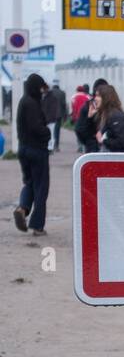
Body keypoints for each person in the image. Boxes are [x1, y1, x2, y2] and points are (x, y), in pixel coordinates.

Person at [13, 73, 52, 236]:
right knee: (41, 188)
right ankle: (38, 226)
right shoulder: (32, 104)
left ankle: (22, 209)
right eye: (41, 88)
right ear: (36, 87)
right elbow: (37, 128)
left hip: (24, 149)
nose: (42, 91)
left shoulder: (24, 101)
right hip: (37, 150)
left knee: (29, 183)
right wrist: (47, 132)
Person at [75, 77, 108, 154]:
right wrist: (91, 142)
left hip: (96, 145)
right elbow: (80, 129)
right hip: (94, 146)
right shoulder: (91, 106)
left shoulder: (91, 104)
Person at [42, 79, 69, 152]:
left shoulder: (49, 93)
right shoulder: (62, 93)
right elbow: (64, 105)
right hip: (59, 115)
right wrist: (65, 116)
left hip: (49, 115)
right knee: (57, 131)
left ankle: (49, 145)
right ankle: (56, 146)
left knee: (50, 131)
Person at [70, 84, 91, 151]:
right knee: (85, 131)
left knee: (78, 131)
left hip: (76, 117)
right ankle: (84, 145)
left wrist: (72, 117)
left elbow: (73, 108)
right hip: (85, 117)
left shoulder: (73, 97)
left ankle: (80, 146)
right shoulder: (87, 97)